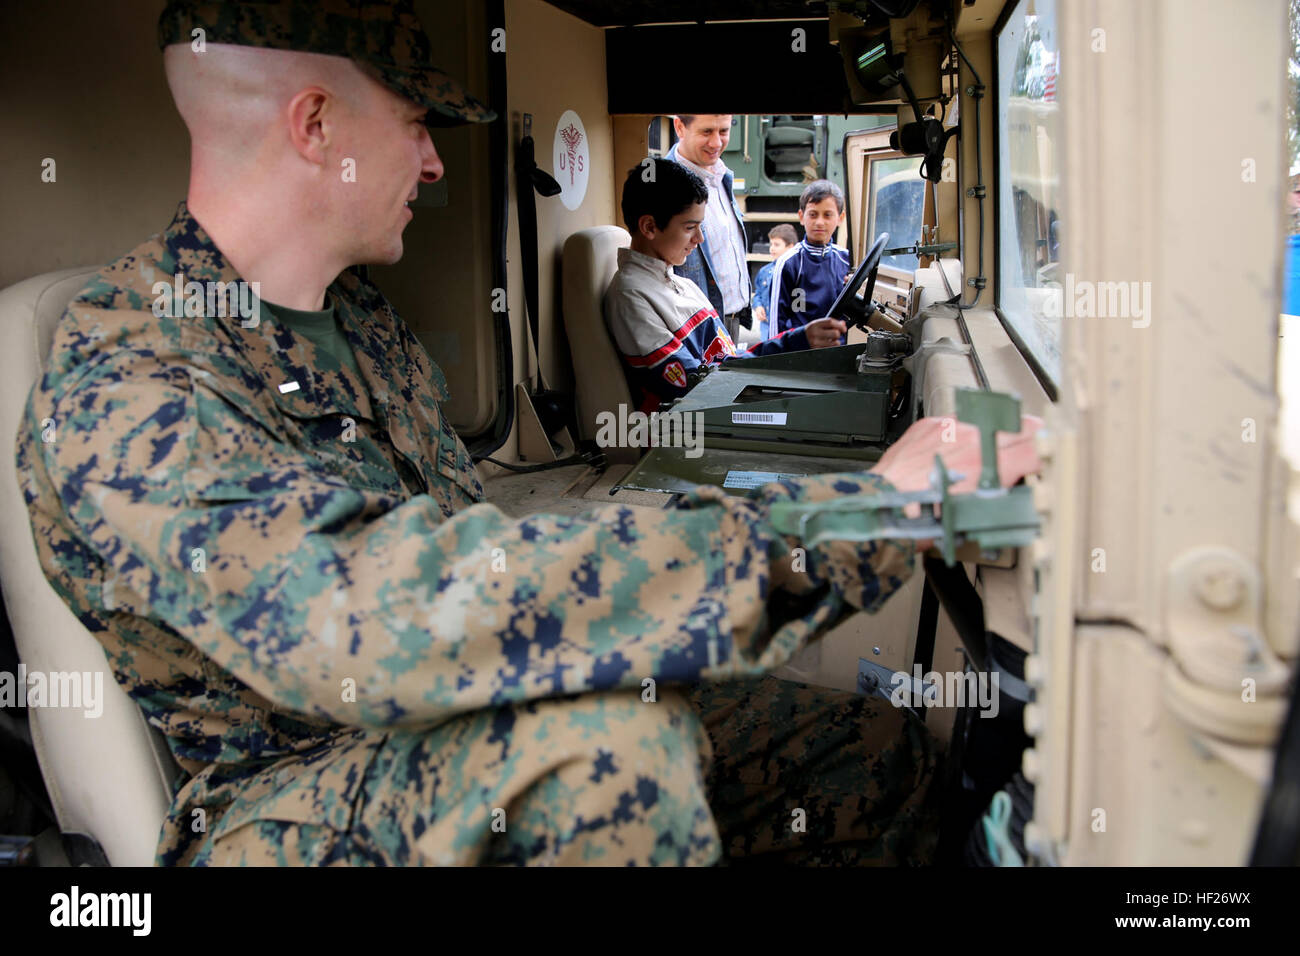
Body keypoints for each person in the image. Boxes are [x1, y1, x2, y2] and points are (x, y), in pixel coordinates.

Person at [17, 0, 1040, 866]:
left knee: (869, 752)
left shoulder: (362, 322)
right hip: (279, 794)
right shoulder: (135, 369)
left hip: (439, 716)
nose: (430, 165)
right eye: (416, 124)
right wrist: (847, 522)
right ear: (316, 124)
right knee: (609, 751)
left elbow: (467, 545)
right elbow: (378, 614)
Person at [605, 159, 845, 412]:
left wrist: (799, 341)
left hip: (727, 396)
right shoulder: (632, 296)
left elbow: (726, 362)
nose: (700, 238)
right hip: (696, 425)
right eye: (690, 228)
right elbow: (696, 388)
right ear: (649, 227)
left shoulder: (683, 285)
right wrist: (789, 351)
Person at [665, 114, 752, 342]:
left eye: (723, 131)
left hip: (730, 320)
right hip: (697, 330)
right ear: (680, 127)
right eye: (706, 132)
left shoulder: (721, 175)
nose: (716, 143)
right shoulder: (663, 187)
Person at [771, 179, 852, 337]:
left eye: (827, 215)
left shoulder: (846, 260)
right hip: (800, 351)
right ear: (801, 217)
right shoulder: (788, 263)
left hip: (837, 348)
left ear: (840, 218)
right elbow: (777, 320)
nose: (820, 222)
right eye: (813, 214)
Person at [751, 224, 798, 340]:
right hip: (766, 325)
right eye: (771, 244)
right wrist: (758, 306)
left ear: (790, 247)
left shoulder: (797, 272)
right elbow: (758, 293)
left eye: (777, 245)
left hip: (788, 326)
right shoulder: (764, 271)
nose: (772, 248)